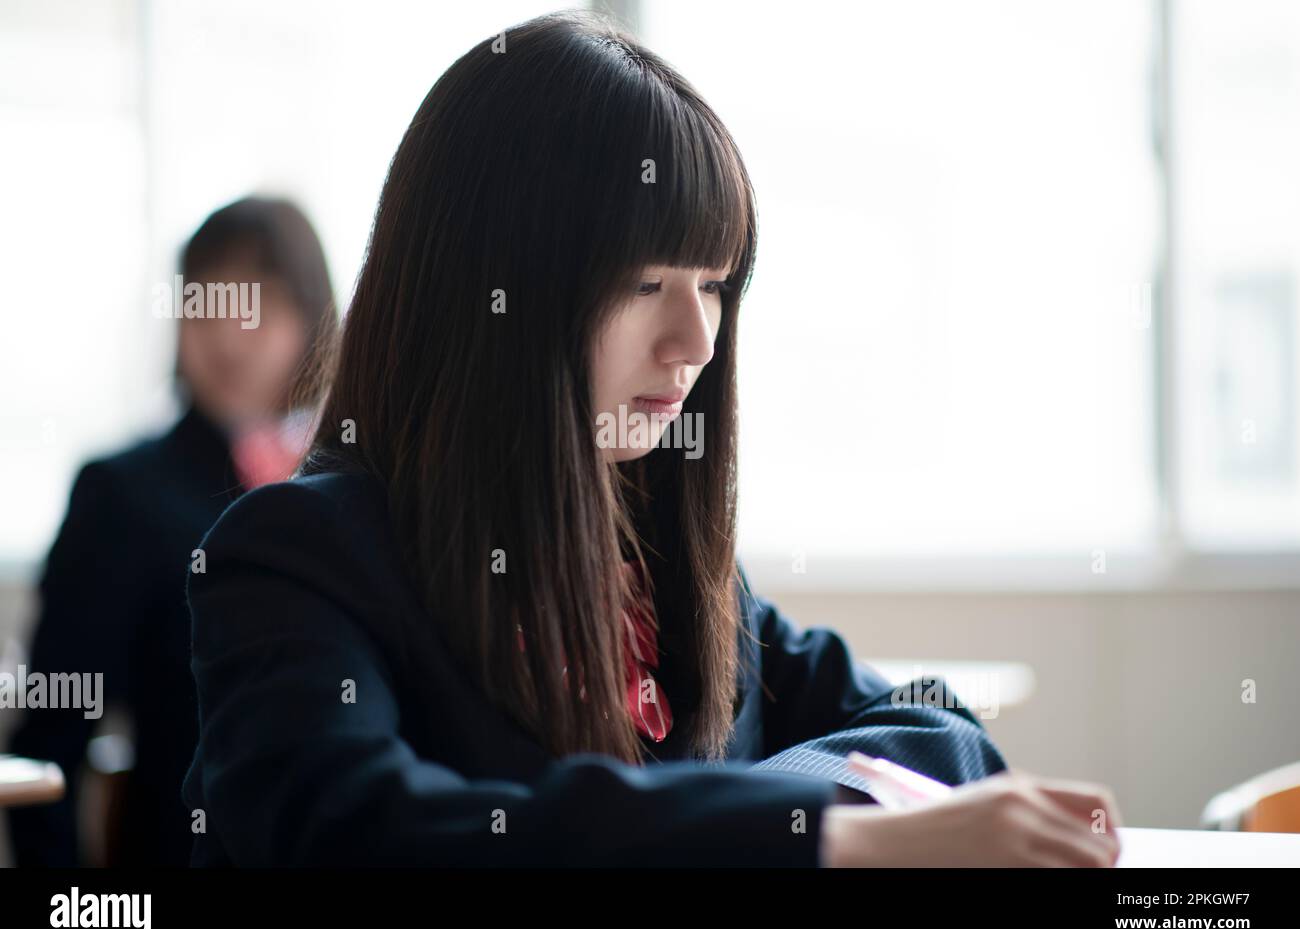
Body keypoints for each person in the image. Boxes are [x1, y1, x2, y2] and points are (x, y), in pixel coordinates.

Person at [182, 12, 1121, 867]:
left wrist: (797, 815)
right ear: (490, 293)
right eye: (644, 284)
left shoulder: (658, 561)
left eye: (713, 284)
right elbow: (362, 832)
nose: (697, 341)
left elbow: (936, 723)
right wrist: (819, 833)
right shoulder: (301, 557)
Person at [6, 196, 336, 866]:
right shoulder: (121, 493)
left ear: (311, 321)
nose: (228, 335)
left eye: (261, 303)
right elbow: (51, 745)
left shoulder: (343, 488)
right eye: (207, 300)